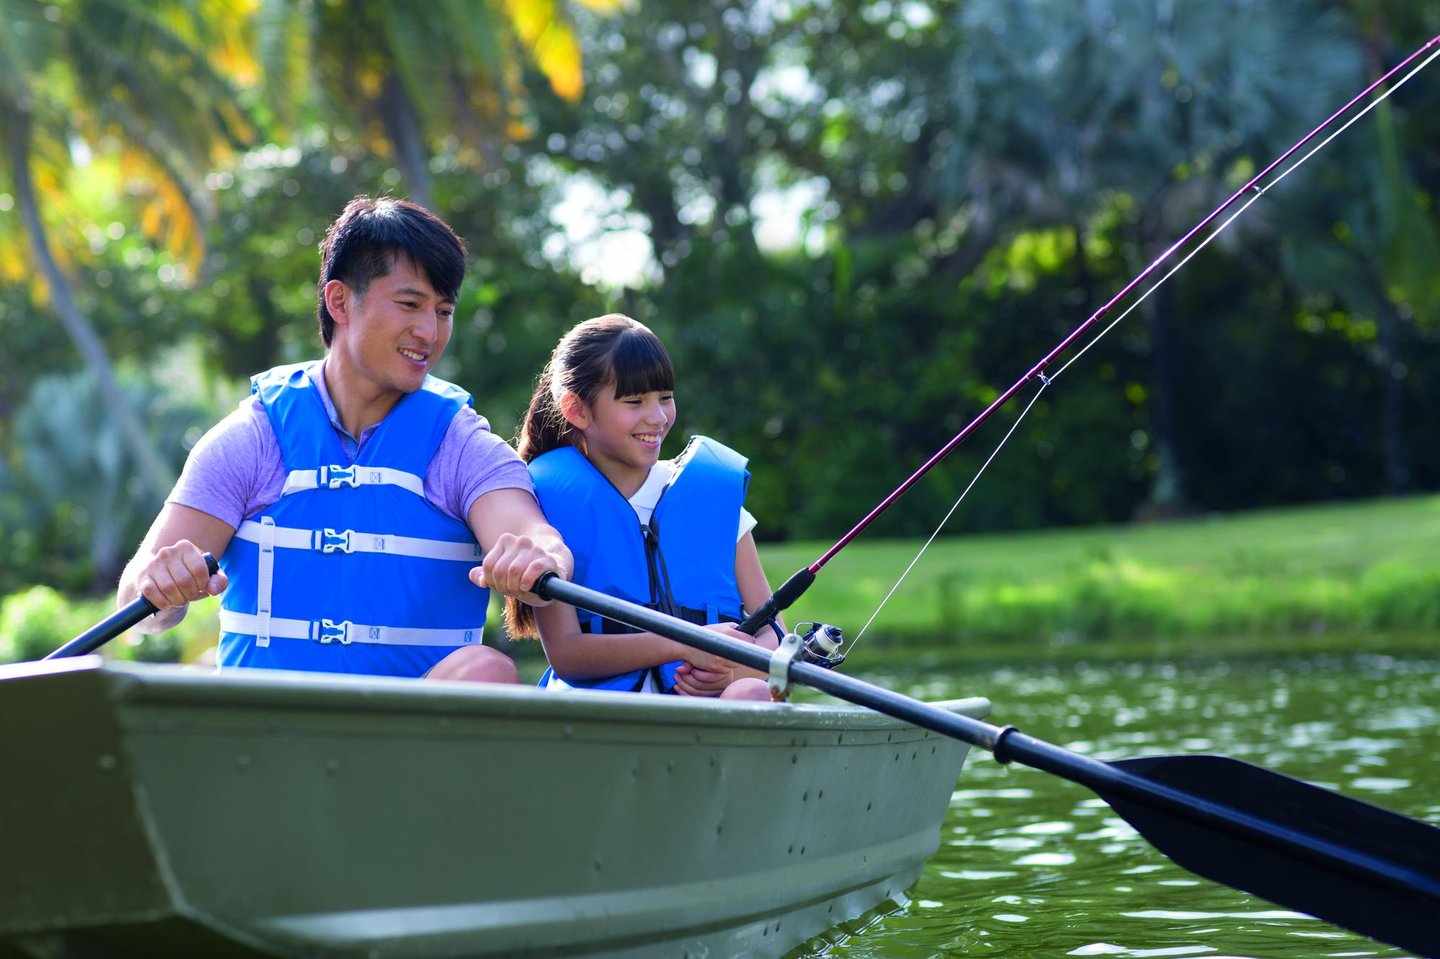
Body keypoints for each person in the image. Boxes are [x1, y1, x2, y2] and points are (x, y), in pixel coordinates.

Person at [117, 196, 571, 681]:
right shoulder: (250, 439)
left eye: (443, 311)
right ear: (339, 302)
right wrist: (160, 592)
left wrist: (538, 558)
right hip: (264, 737)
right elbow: (135, 602)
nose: (429, 331)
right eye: (409, 304)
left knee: (488, 669)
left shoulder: (463, 446)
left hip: (409, 747)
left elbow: (534, 536)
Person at [505, 314, 779, 700]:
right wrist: (685, 643)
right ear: (577, 409)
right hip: (605, 714)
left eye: (665, 397)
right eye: (634, 402)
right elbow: (567, 653)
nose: (658, 417)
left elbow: (774, 638)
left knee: (750, 692)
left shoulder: (713, 501)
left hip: (709, 708)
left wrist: (733, 670)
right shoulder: (548, 508)